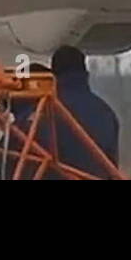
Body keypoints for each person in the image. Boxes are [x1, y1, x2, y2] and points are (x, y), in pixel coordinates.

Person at [48, 45, 121, 178]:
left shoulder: (43, 111)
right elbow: (112, 167)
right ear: (84, 71)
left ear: (53, 75)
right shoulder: (106, 113)